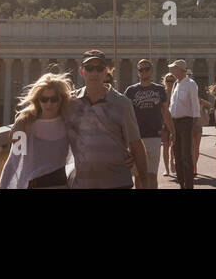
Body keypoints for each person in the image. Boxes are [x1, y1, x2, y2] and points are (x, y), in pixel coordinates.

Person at [67, 50, 148, 189]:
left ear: (106, 71)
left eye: (99, 68)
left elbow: (136, 144)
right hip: (83, 183)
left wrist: (145, 183)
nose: (94, 73)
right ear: (81, 71)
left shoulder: (122, 103)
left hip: (117, 181)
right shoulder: (70, 102)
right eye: (89, 68)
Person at [0, 73, 73, 189]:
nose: (49, 104)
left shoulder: (68, 123)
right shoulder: (26, 124)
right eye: (44, 99)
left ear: (61, 100)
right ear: (38, 100)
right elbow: (14, 160)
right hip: (33, 184)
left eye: (54, 99)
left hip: (59, 184)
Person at [123, 58, 174, 189]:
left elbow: (165, 112)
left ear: (151, 71)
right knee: (139, 177)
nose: (143, 72)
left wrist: (174, 132)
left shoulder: (159, 89)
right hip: (136, 139)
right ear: (138, 72)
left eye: (146, 69)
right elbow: (124, 115)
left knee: (151, 176)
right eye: (140, 69)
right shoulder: (130, 91)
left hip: (154, 137)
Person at [167, 59, 200, 189]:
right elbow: (172, 105)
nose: (172, 71)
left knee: (186, 156)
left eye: (174, 69)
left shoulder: (190, 84)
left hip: (186, 122)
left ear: (181, 70)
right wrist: (169, 124)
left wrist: (194, 124)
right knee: (177, 155)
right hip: (175, 123)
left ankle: (189, 185)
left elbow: (195, 104)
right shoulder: (176, 84)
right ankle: (182, 184)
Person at [161, 72, 177, 179]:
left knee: (174, 146)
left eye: (172, 80)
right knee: (166, 146)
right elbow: (162, 110)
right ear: (165, 82)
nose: (170, 83)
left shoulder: (177, 92)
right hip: (164, 123)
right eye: (168, 80)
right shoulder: (162, 93)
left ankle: (172, 162)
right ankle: (166, 168)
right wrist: (165, 122)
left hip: (175, 122)